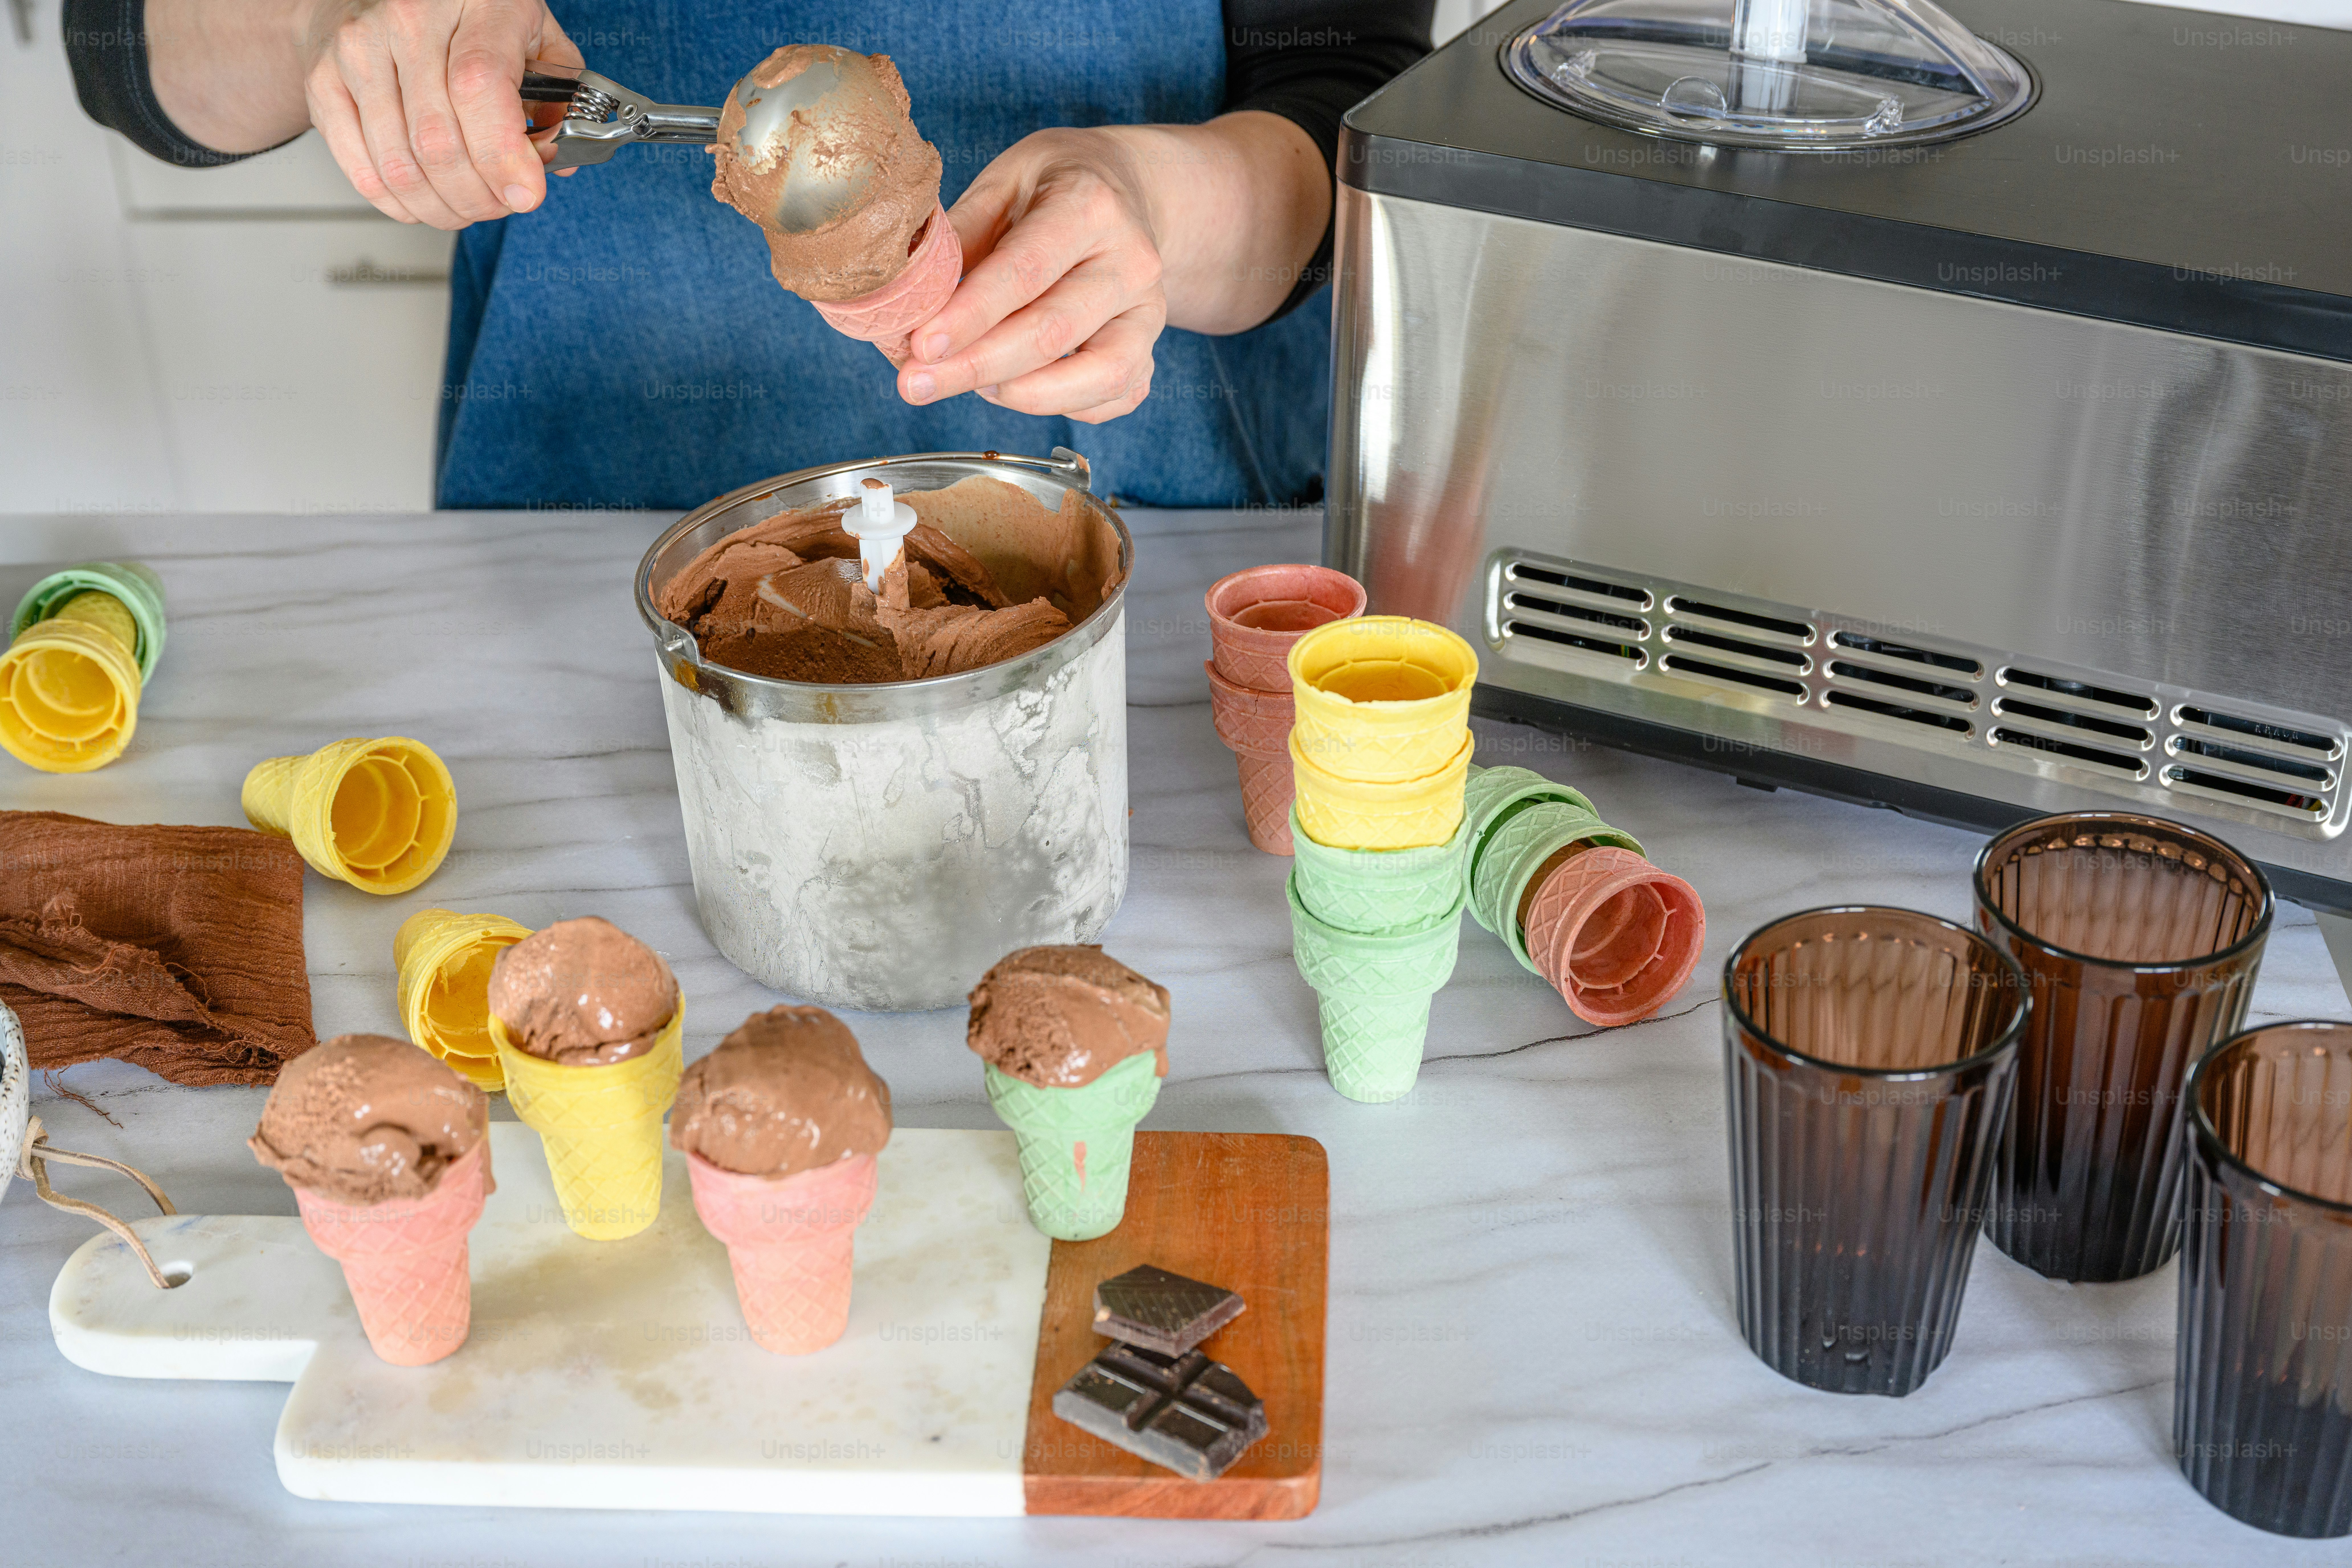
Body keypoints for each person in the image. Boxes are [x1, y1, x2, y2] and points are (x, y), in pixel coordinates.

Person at [66, 0, 1432, 509]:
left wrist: (1160, 200)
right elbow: (126, 54)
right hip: (585, 560)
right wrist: (328, 24)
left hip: (1136, 527)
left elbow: (1349, 94)